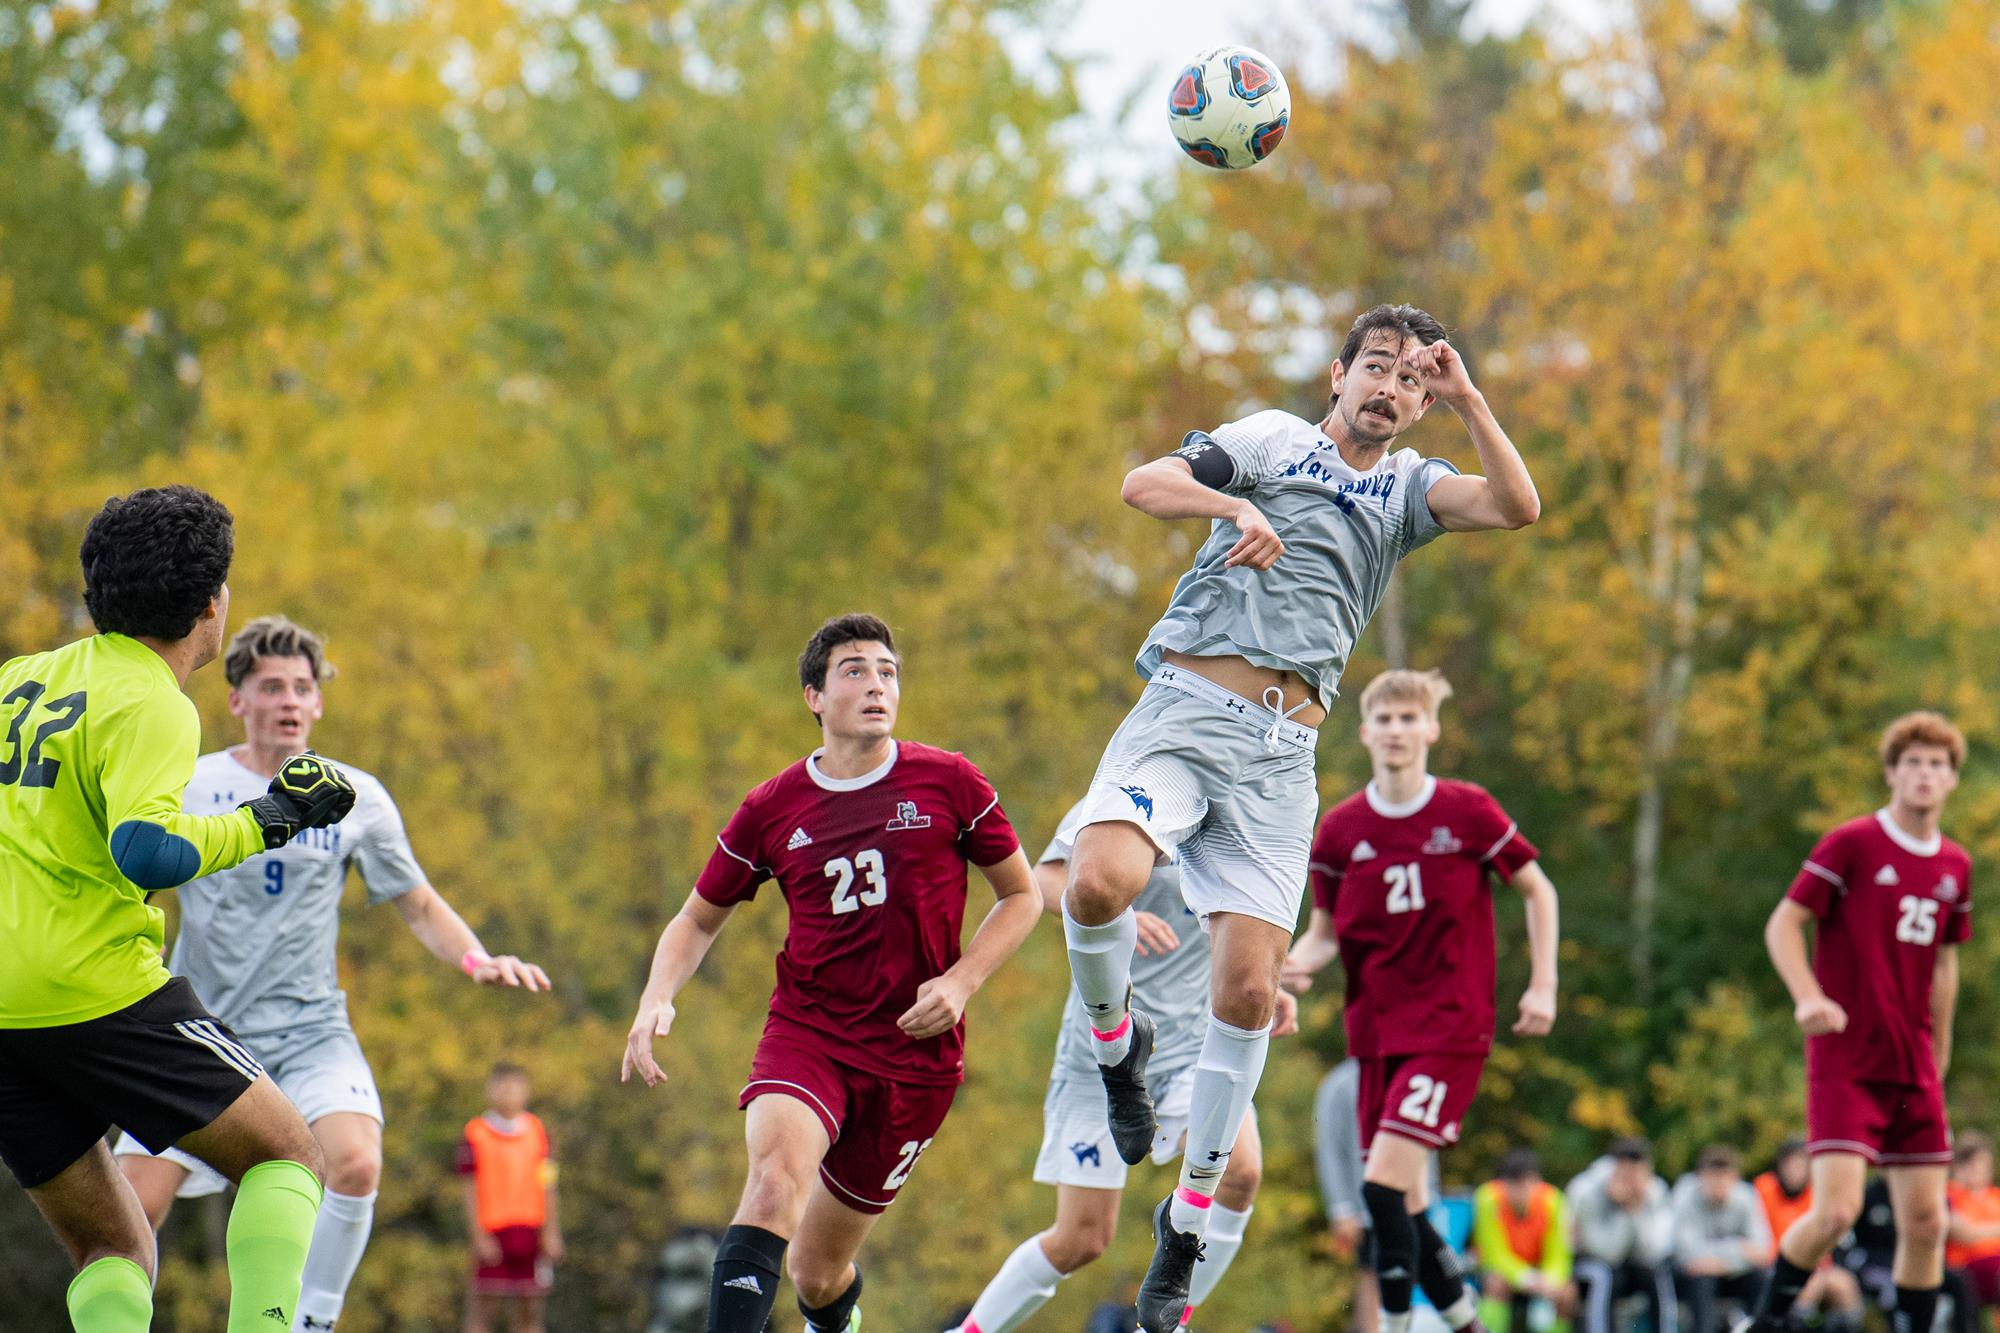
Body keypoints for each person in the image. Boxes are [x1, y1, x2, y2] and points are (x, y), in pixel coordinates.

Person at [1061, 303, 1540, 1332]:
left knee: (1243, 994)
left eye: (1411, 380)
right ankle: (1117, 1053)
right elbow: (1142, 483)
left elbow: (1516, 505)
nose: (1390, 388)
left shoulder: (1407, 487)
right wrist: (1228, 510)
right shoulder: (1270, 437)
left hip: (1282, 759)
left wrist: (1468, 400)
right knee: (1097, 879)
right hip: (1186, 712)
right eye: (1377, 366)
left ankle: (1182, 1231)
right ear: (1338, 371)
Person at [113, 613, 553, 1333]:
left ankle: (309, 1321)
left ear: (318, 703)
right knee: (129, 1209)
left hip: (309, 1032)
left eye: (302, 687)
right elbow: (131, 883)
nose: (289, 699)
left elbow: (416, 900)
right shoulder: (189, 784)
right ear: (237, 701)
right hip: (197, 1029)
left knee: (354, 1162)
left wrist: (478, 958)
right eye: (271, 685)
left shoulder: (357, 795)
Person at [621, 613, 1041, 1333]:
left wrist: (962, 980)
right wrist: (656, 996)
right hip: (809, 1031)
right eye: (855, 670)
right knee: (772, 1182)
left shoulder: (950, 781)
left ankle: (833, 1320)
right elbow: (695, 918)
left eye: (888, 670)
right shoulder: (772, 806)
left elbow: (1023, 895)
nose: (877, 684)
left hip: (915, 1058)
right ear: (815, 695)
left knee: (815, 1272)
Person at [0, 486, 357, 1332]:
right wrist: (271, 818)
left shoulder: (17, 680)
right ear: (211, 603)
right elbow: (146, 851)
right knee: (288, 1154)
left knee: (115, 1247)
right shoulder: (155, 699)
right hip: (95, 990)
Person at [952, 799, 1298, 1331]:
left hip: (1190, 1048)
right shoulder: (1134, 786)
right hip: (1104, 1055)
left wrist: (1270, 985)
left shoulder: (1245, 801)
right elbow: (1042, 881)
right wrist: (1121, 913)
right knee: (1082, 1238)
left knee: (1242, 1173)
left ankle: (1170, 1324)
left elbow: (1242, 922)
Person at [1284, 667, 1561, 1333]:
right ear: (1365, 731)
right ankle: (1468, 1325)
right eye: (1384, 719)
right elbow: (1321, 936)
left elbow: (1537, 888)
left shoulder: (1467, 810)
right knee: (1405, 1204)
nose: (1397, 731)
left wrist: (1544, 982)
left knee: (1378, 1187)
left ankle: (1397, 1327)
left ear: (1431, 729)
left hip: (1449, 1027)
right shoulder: (1342, 830)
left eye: (1410, 719)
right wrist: (1278, 970)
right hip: (1376, 1035)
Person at [1740, 712, 1973, 1333]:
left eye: (1937, 765)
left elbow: (1945, 965)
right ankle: (1760, 1325)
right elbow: (1784, 923)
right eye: (1913, 763)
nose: (1925, 775)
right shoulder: (1853, 843)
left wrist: (1940, 1046)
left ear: (1952, 780)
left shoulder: (1955, 865)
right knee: (1837, 1212)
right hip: (1847, 1057)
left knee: (1929, 1224)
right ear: (1892, 773)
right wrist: (1807, 996)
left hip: (1913, 1060)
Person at [459, 1063, 561, 1333]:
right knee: (483, 1308)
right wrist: (478, 1235)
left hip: (531, 1230)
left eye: (515, 1086)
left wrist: (551, 1232)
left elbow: (548, 1183)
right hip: (492, 1230)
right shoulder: (475, 1133)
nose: (508, 1093)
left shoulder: (538, 1132)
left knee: (530, 1308)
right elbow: (468, 1188)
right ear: (490, 1091)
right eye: (502, 1086)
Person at [1751, 1140, 1862, 1333]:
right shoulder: (1763, 1189)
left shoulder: (1817, 1191)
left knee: (1844, 1286)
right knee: (1808, 1287)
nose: (1796, 1171)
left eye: (1802, 1165)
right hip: (1778, 1264)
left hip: (1819, 1265)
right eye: (1792, 1165)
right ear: (1781, 1165)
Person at [1567, 1139, 1677, 1333]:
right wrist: (1622, 1209)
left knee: (1657, 1274)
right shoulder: (1586, 1190)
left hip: (1632, 1263)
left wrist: (1636, 1210)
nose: (1633, 1181)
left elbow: (1655, 1250)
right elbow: (1605, 1253)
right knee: (1604, 1276)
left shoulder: (1655, 1190)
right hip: (1589, 1264)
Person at [1473, 1148, 1574, 1333]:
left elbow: (1560, 1253)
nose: (1523, 1192)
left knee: (1567, 1293)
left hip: (1541, 1271)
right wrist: (1525, 1278)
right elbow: (1494, 1254)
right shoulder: (1487, 1199)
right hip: (1506, 1272)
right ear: (1503, 1183)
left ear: (1537, 1181)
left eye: (1528, 1183)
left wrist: (1550, 1280)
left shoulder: (1554, 1201)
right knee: (1495, 1283)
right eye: (1516, 1185)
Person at [1673, 1145, 1772, 1333]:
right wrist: (1740, 1248)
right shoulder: (1685, 1196)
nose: (1718, 1184)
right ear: (1701, 1176)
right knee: (1701, 1279)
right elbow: (1688, 1256)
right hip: (1695, 1279)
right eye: (1713, 1178)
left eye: (1724, 1178)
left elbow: (1762, 1251)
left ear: (1734, 1178)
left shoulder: (1746, 1196)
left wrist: (1719, 1262)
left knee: (1761, 1279)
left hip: (1732, 1274)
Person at [1946, 1132, 2000, 1333]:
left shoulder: (1995, 1195)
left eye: (1984, 1165)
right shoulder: (1949, 1194)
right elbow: (1964, 1233)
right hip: (1965, 1268)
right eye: (1973, 1164)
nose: (1979, 1171)